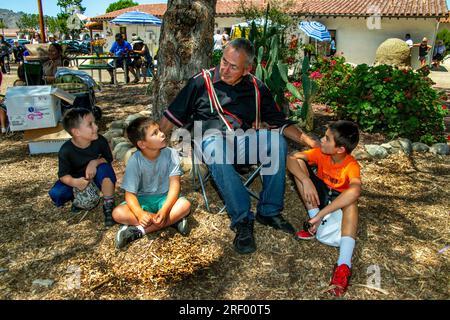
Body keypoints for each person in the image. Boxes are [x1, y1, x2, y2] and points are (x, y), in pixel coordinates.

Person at [159, 38, 319, 255]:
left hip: (242, 142)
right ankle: (242, 220)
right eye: (223, 61)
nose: (224, 69)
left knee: (275, 141)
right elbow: (172, 116)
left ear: (247, 69)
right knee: (215, 146)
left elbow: (279, 122)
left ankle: (269, 211)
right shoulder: (200, 82)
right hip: (210, 143)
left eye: (233, 66)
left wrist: (309, 142)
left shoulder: (255, 86)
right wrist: (152, 148)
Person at [287, 120, 361, 297]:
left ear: (340, 149)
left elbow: (356, 190)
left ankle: (343, 266)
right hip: (320, 201)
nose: (321, 140)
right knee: (300, 165)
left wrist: (321, 214)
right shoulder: (321, 154)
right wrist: (306, 181)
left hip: (335, 210)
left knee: (351, 200)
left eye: (327, 139)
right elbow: (290, 159)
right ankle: (314, 226)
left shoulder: (351, 165)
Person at [112, 117, 191, 249]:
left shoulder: (171, 154)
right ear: (142, 144)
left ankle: (138, 231)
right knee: (117, 213)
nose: (162, 134)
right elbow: (130, 195)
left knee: (185, 205)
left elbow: (175, 185)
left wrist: (165, 210)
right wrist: (139, 213)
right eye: (155, 133)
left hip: (165, 198)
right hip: (142, 200)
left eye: (159, 130)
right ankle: (172, 221)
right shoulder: (134, 161)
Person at [48, 108, 117, 227]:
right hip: (77, 180)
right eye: (90, 124)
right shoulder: (66, 150)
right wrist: (75, 182)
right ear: (76, 132)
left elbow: (108, 158)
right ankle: (77, 201)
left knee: (105, 168)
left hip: (96, 177)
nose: (96, 127)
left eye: (94, 123)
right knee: (57, 193)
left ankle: (108, 204)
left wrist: (94, 162)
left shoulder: (100, 141)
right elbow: (63, 175)